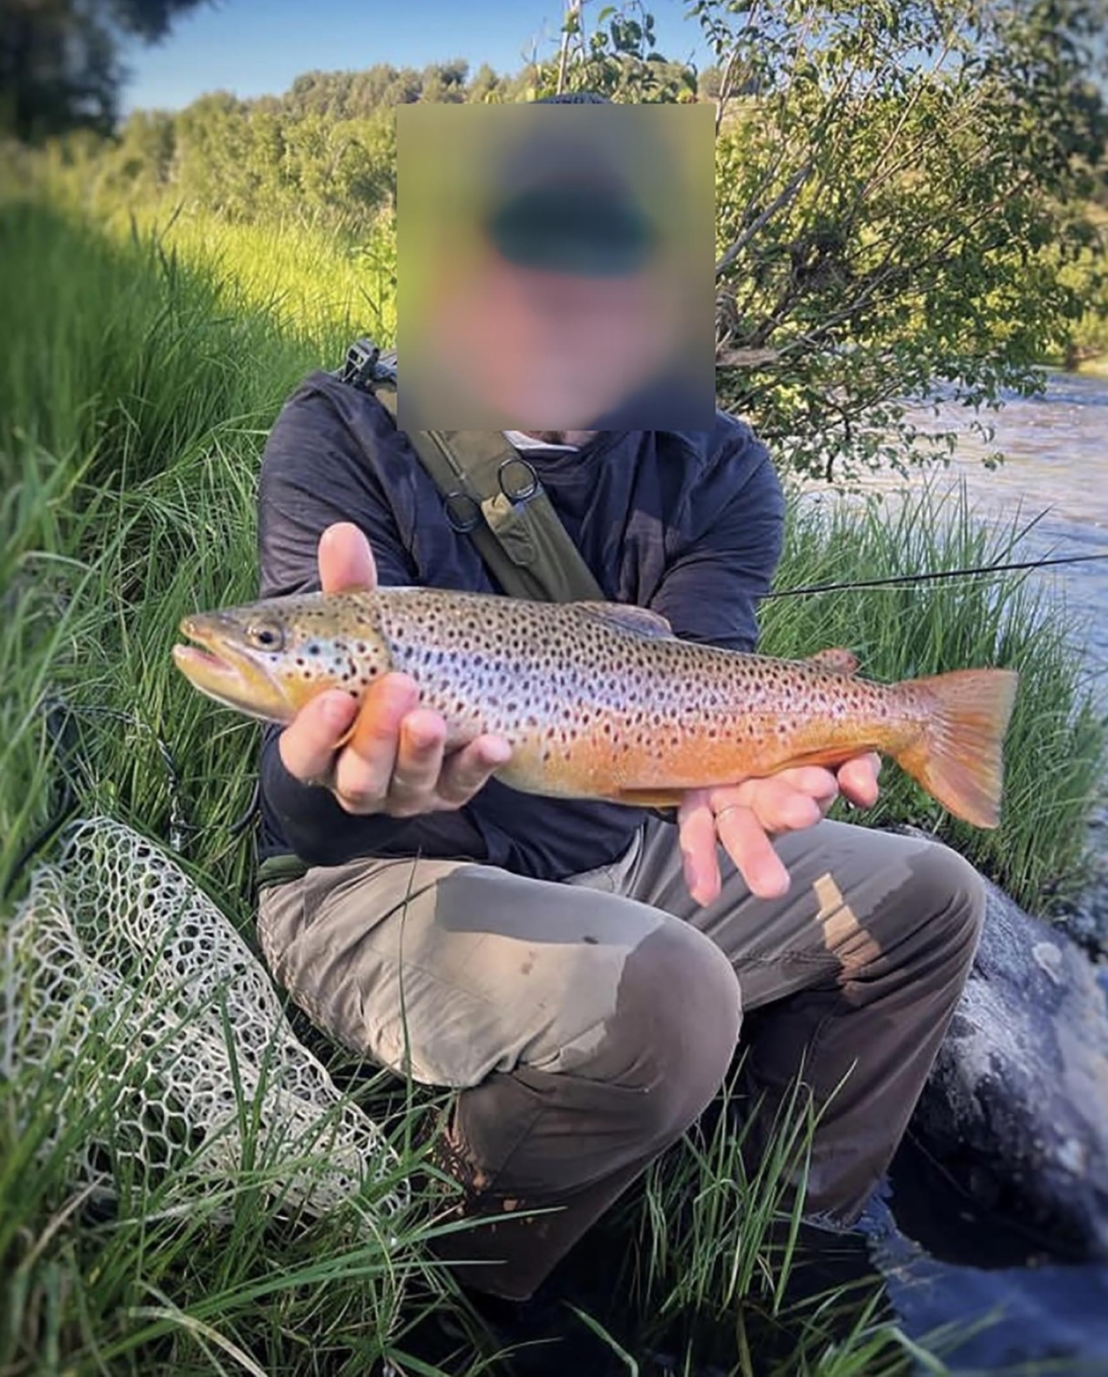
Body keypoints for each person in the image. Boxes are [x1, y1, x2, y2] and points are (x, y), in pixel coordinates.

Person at [253, 403, 986, 1306]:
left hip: (621, 844)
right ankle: (453, 1301)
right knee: (672, 998)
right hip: (382, 872)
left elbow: (706, 678)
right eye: (270, 642)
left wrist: (778, 744)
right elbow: (312, 821)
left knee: (937, 898)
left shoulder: (713, 463)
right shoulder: (351, 427)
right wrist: (323, 785)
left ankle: (767, 1251)